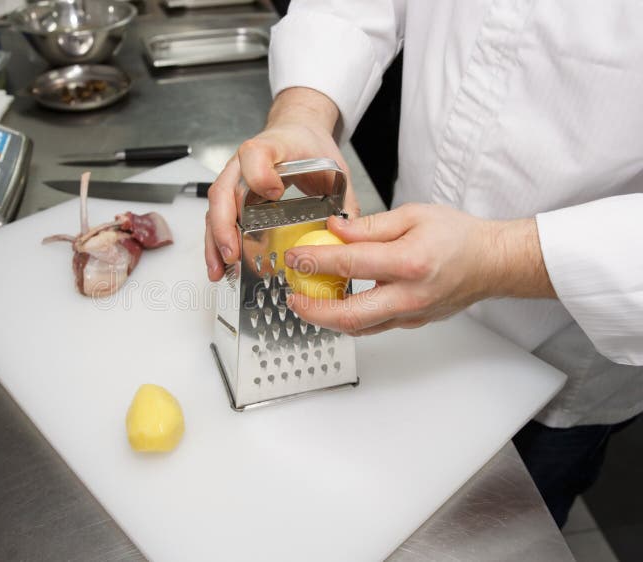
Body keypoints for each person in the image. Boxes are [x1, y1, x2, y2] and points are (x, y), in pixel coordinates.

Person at [204, 1, 643, 528]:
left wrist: (500, 258)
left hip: (568, 343)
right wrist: (303, 113)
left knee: (492, 533)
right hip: (406, 343)